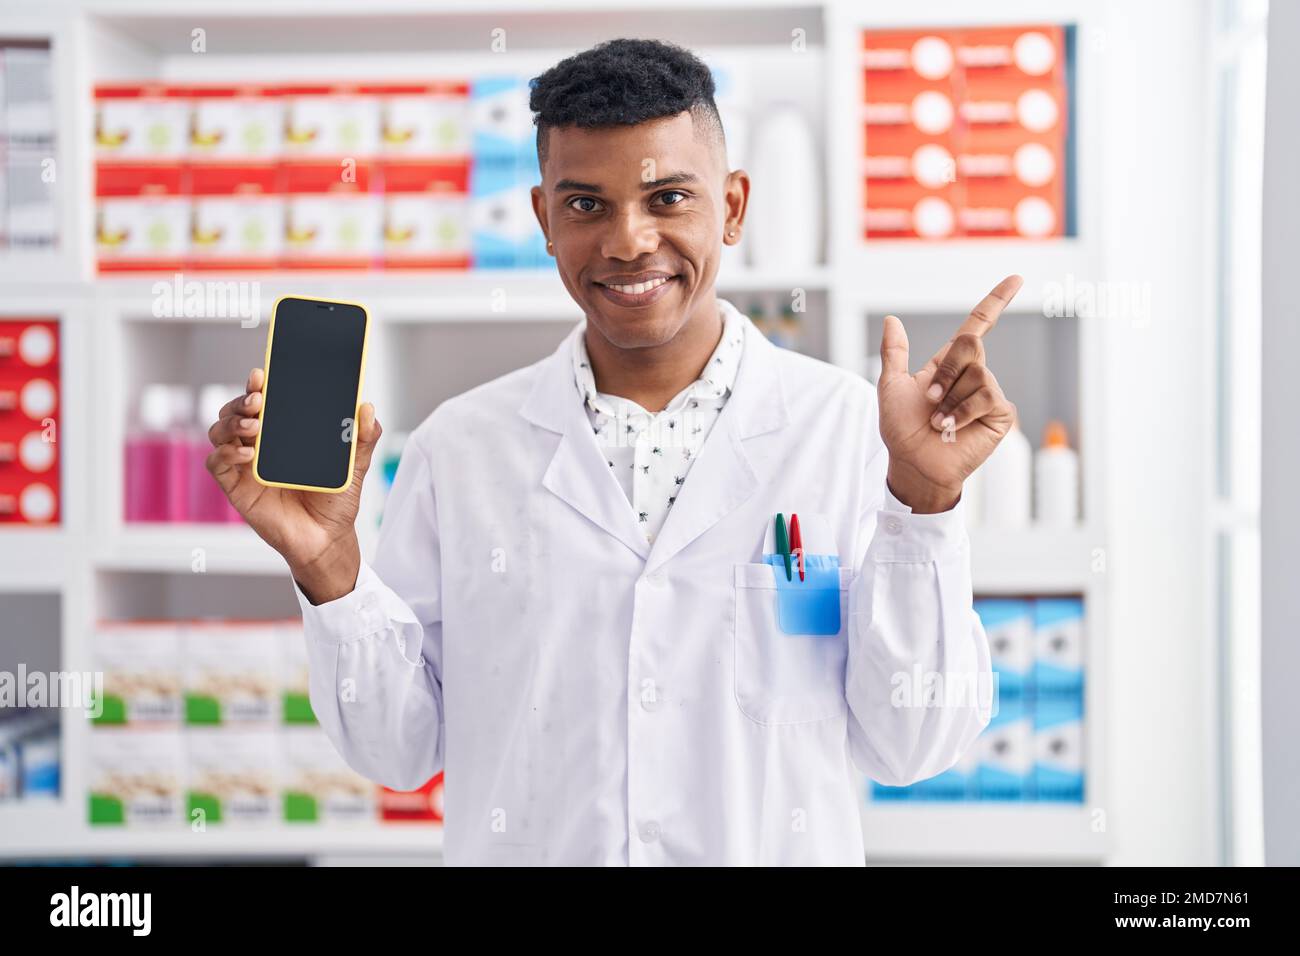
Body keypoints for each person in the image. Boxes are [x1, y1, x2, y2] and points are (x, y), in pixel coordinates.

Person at [206, 38, 1020, 865]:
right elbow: (398, 751)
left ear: (733, 207)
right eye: (587, 204)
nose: (629, 241)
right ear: (543, 218)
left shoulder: (846, 431)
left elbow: (915, 745)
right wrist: (331, 568)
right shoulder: (463, 447)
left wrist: (921, 503)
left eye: (668, 197)